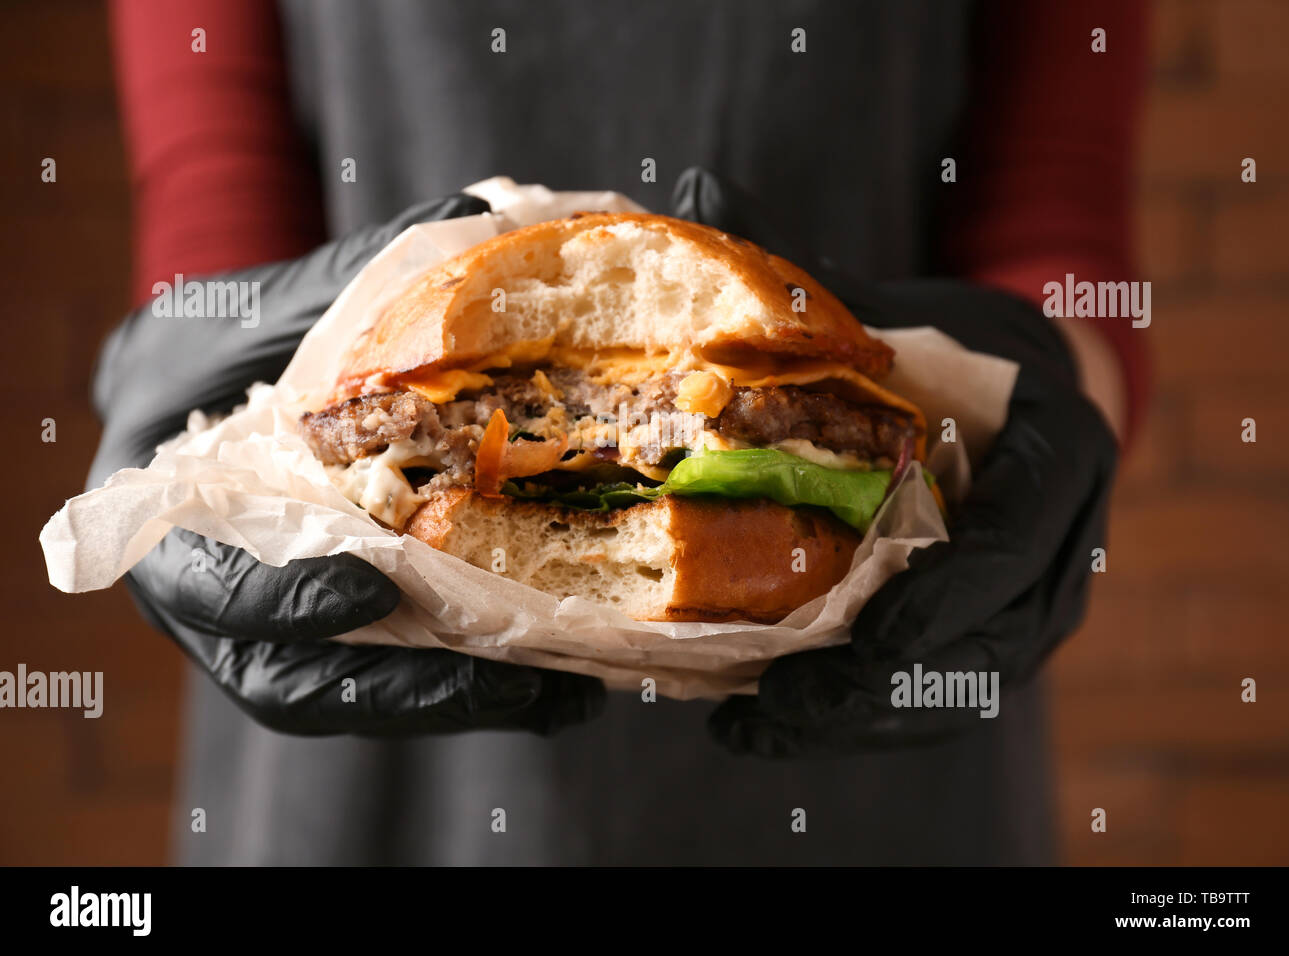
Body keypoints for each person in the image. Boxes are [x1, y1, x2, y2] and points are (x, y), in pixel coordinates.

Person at [96, 0, 1149, 864]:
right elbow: (213, 187)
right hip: (357, 709)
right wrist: (183, 409)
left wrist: (1052, 393)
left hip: (886, 690)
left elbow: (1053, 210)